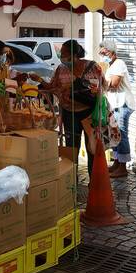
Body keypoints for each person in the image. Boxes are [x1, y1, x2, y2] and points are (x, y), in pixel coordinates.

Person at [43, 39, 104, 174]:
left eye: (64, 53)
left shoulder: (93, 66)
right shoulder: (61, 69)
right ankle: (71, 180)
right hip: (69, 114)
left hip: (89, 114)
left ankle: (94, 181)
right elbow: (53, 87)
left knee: (92, 148)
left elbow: (102, 87)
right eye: (61, 53)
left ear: (74, 54)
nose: (61, 56)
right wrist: (40, 81)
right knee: (71, 148)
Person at [98, 40, 134, 179]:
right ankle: (117, 163)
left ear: (112, 52)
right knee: (114, 134)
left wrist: (100, 80)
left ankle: (123, 168)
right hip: (114, 104)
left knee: (121, 134)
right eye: (100, 52)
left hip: (122, 104)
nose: (102, 55)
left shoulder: (119, 64)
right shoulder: (110, 65)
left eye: (104, 52)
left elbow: (113, 84)